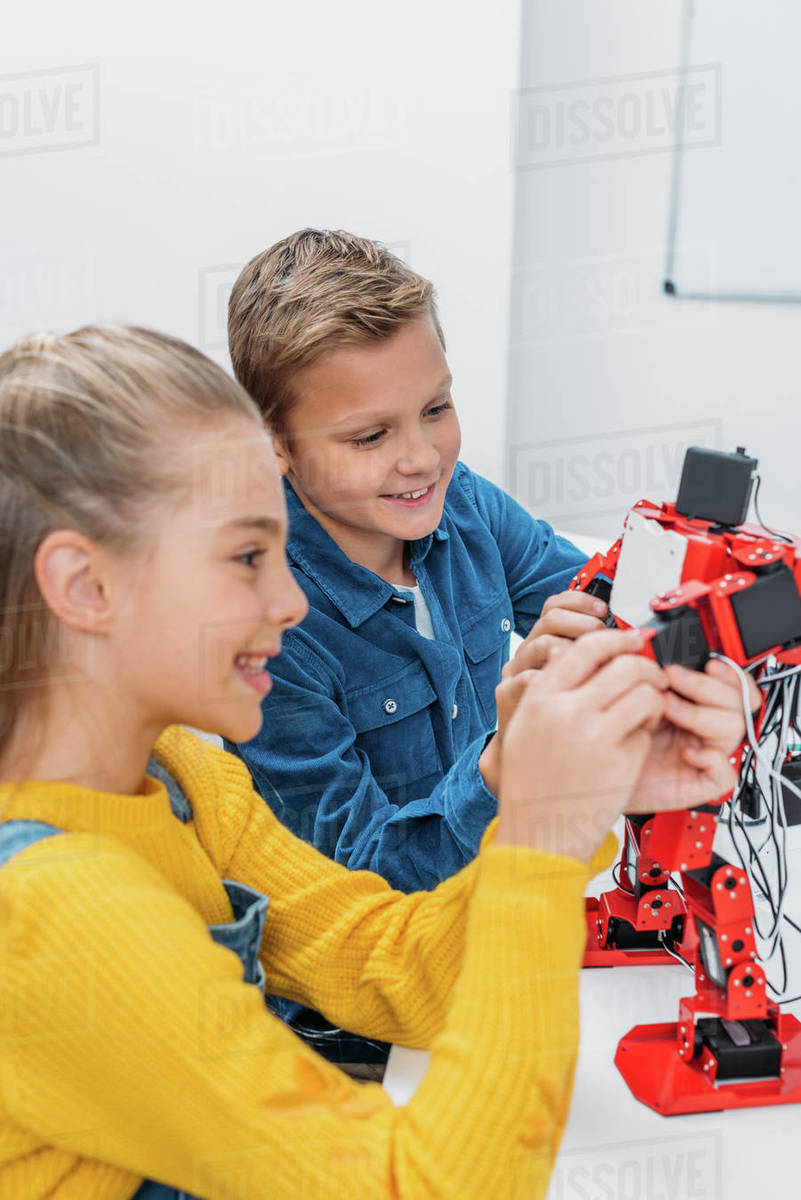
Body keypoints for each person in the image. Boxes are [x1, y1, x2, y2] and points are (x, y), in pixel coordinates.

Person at [0, 325, 741, 1200]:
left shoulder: (179, 778)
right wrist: (538, 840)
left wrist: (569, 797)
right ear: (85, 586)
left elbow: (391, 968)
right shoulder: (54, 909)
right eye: (246, 557)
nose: (290, 601)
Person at [224, 229, 752, 1065]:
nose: (420, 457)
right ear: (275, 445)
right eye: (369, 437)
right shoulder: (268, 633)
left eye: (435, 408)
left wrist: (699, 639)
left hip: (491, 925)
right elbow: (362, 891)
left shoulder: (462, 504)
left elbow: (608, 604)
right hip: (357, 1029)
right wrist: (506, 765)